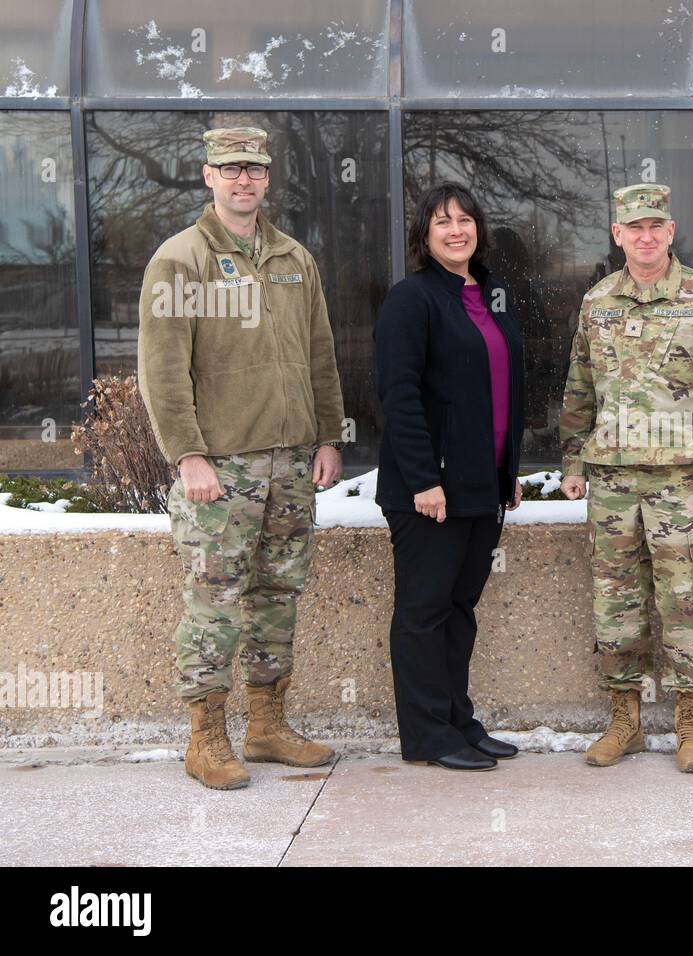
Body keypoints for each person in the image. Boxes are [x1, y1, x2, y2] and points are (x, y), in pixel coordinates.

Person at [137, 127, 345, 790]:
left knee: (277, 596)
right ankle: (205, 738)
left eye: (254, 169)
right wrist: (188, 455)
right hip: (221, 470)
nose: (243, 180)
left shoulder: (292, 258)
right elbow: (162, 368)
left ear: (267, 178)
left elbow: (319, 353)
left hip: (290, 465)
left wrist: (328, 436)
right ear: (208, 176)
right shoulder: (181, 260)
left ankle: (266, 725)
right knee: (214, 601)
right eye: (230, 169)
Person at [559, 183, 693, 773]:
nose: (645, 237)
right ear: (618, 235)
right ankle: (624, 721)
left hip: (685, 482)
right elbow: (578, 388)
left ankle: (690, 724)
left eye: (656, 227)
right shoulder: (597, 302)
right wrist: (573, 461)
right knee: (615, 605)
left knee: (686, 602)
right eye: (634, 228)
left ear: (670, 233)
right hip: (615, 482)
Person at [374, 183, 525, 772]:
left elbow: (506, 391)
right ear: (425, 235)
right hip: (429, 490)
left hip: (480, 486)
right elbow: (399, 395)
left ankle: (459, 721)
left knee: (460, 609)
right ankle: (429, 735)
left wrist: (506, 472)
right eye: (443, 222)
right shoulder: (412, 300)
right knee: (423, 612)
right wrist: (422, 479)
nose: (456, 230)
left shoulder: (489, 296)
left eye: (465, 220)